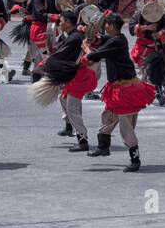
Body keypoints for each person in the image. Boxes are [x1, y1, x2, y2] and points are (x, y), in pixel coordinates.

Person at [82, 13, 154, 172]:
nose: (105, 27)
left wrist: (86, 46)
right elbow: (101, 40)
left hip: (126, 91)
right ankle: (103, 147)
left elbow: (94, 55)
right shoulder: (116, 39)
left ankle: (135, 159)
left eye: (106, 24)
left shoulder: (117, 42)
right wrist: (91, 37)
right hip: (118, 88)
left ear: (113, 26)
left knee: (125, 126)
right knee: (108, 116)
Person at [41, 10, 99, 151]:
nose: (59, 23)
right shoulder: (72, 36)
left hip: (80, 77)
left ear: (67, 22)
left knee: (72, 108)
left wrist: (47, 62)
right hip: (77, 76)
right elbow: (61, 50)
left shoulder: (75, 37)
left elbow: (61, 54)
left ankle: (82, 140)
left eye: (61, 21)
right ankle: (70, 126)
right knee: (64, 100)